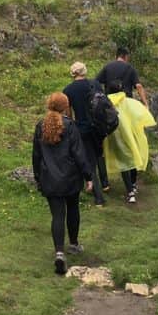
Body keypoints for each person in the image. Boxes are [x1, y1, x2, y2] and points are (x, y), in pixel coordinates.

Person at [32, 92, 93, 275]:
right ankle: (73, 244)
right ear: (65, 107)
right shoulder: (70, 126)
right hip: (70, 177)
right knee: (73, 209)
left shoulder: (40, 126)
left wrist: (38, 177)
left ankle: (59, 252)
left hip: (49, 178)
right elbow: (78, 153)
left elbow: (36, 155)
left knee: (57, 215)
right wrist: (88, 176)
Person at [102, 81, 156, 204]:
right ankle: (133, 185)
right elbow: (141, 114)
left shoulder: (106, 103)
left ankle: (130, 191)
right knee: (132, 159)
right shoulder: (129, 102)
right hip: (131, 136)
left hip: (115, 138)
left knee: (123, 163)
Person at [63, 62, 107, 206]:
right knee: (98, 156)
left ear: (72, 73)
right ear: (84, 71)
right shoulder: (94, 84)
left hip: (82, 129)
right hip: (98, 128)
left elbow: (68, 114)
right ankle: (105, 183)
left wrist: (73, 123)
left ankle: (98, 198)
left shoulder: (68, 90)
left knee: (88, 162)